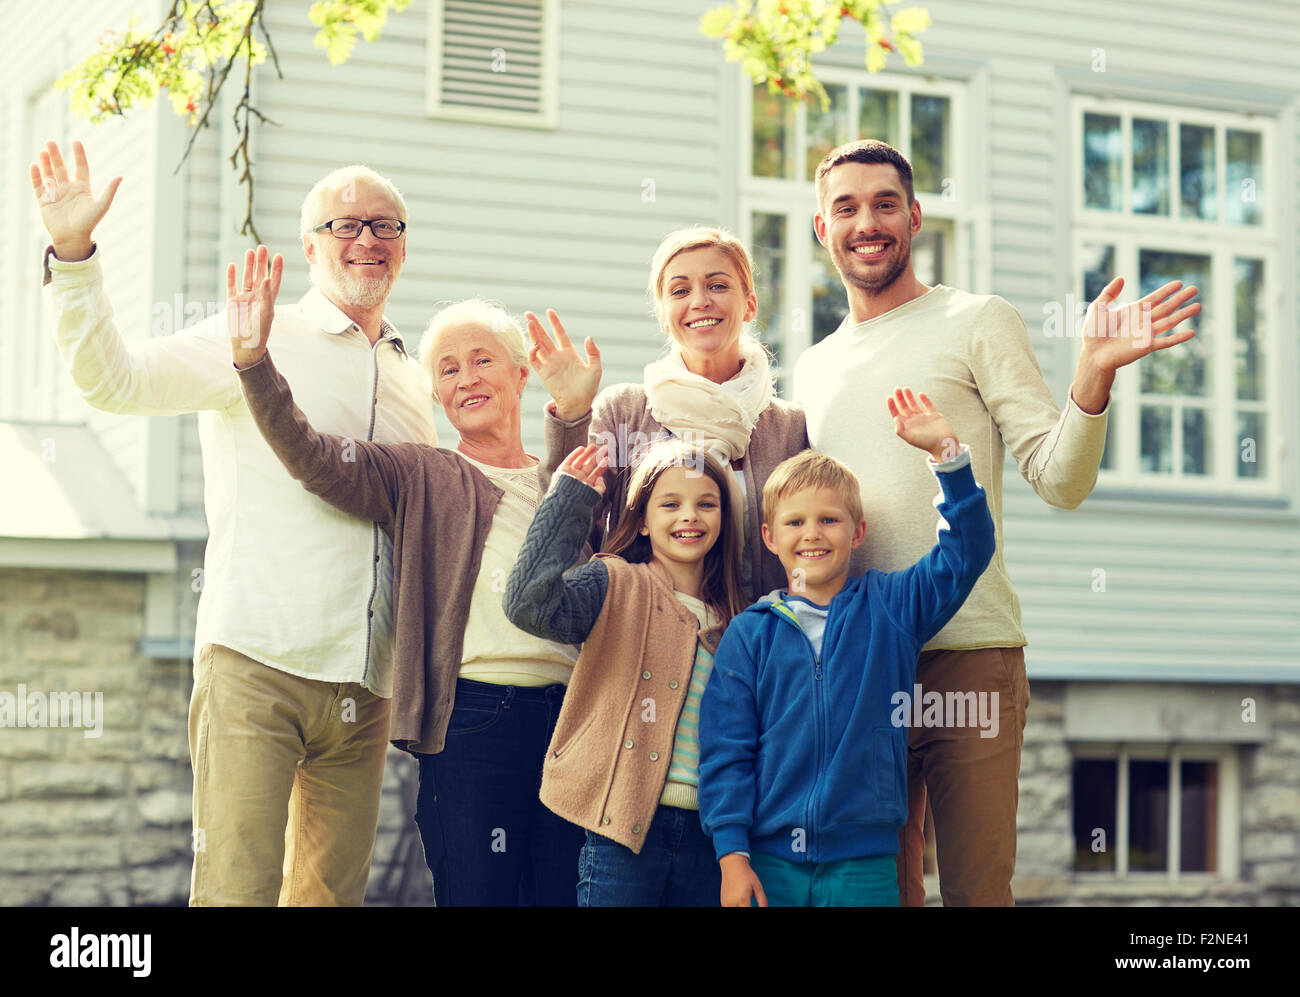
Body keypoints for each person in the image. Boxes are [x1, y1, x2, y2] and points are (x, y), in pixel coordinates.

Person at [794, 138, 1202, 906]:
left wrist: (1091, 379)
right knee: (879, 890)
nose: (866, 222)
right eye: (845, 207)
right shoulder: (813, 367)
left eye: (885, 203)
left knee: (978, 892)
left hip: (970, 655)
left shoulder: (977, 319)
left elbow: (1059, 478)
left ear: (914, 216)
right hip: (857, 666)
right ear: (823, 229)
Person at [30, 141, 437, 906]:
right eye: (346, 224)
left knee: (328, 900)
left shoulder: (414, 378)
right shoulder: (253, 333)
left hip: (364, 688)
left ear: (404, 247)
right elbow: (112, 380)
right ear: (309, 244)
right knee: (234, 894)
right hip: (258, 662)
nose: (368, 240)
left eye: (387, 226)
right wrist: (75, 255)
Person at [226, 248, 589, 906]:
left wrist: (572, 412)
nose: (466, 378)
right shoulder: (423, 473)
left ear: (520, 372)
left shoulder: (562, 476)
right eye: (447, 369)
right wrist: (255, 367)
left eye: (481, 359)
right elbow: (315, 458)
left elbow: (577, 530)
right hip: (474, 720)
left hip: (568, 722)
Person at [699, 389, 996, 907]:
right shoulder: (749, 634)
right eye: (795, 522)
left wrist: (949, 456)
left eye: (829, 520)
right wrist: (732, 857)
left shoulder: (892, 608)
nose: (812, 534)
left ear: (858, 532)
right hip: (769, 864)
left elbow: (968, 551)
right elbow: (726, 751)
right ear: (770, 537)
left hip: (865, 864)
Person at [503, 439, 746, 905]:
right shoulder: (612, 582)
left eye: (706, 504)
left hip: (709, 840)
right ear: (642, 521)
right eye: (670, 504)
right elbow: (527, 604)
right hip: (620, 829)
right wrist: (570, 501)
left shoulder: (737, 619)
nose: (689, 516)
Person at [537, 226, 808, 602]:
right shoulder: (624, 411)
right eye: (680, 291)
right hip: (646, 640)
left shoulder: (790, 427)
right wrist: (571, 416)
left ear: (750, 304)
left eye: (717, 285)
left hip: (755, 647)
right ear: (663, 316)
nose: (699, 301)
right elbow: (574, 522)